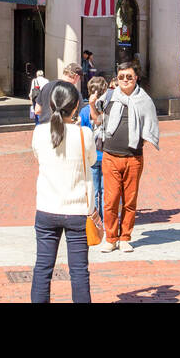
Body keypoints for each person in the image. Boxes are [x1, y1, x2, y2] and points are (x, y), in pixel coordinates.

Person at [30, 81, 92, 303]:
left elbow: (38, 156)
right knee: (79, 272)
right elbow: (92, 160)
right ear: (76, 107)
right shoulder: (84, 134)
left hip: (46, 207)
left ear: (50, 103)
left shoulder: (38, 133)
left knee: (42, 269)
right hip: (76, 210)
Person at [98, 60, 159, 253]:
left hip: (133, 157)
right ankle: (111, 238)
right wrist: (92, 104)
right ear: (116, 79)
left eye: (129, 77)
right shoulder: (109, 97)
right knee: (111, 200)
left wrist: (143, 139)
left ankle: (125, 238)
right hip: (110, 156)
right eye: (121, 77)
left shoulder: (145, 100)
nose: (125, 80)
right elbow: (97, 118)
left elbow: (151, 124)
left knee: (130, 201)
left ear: (136, 78)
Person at [80, 75, 108, 213]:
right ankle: (106, 221)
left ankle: (96, 221)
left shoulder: (84, 112)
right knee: (105, 190)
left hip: (91, 156)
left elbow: (81, 133)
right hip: (107, 154)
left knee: (94, 190)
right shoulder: (109, 109)